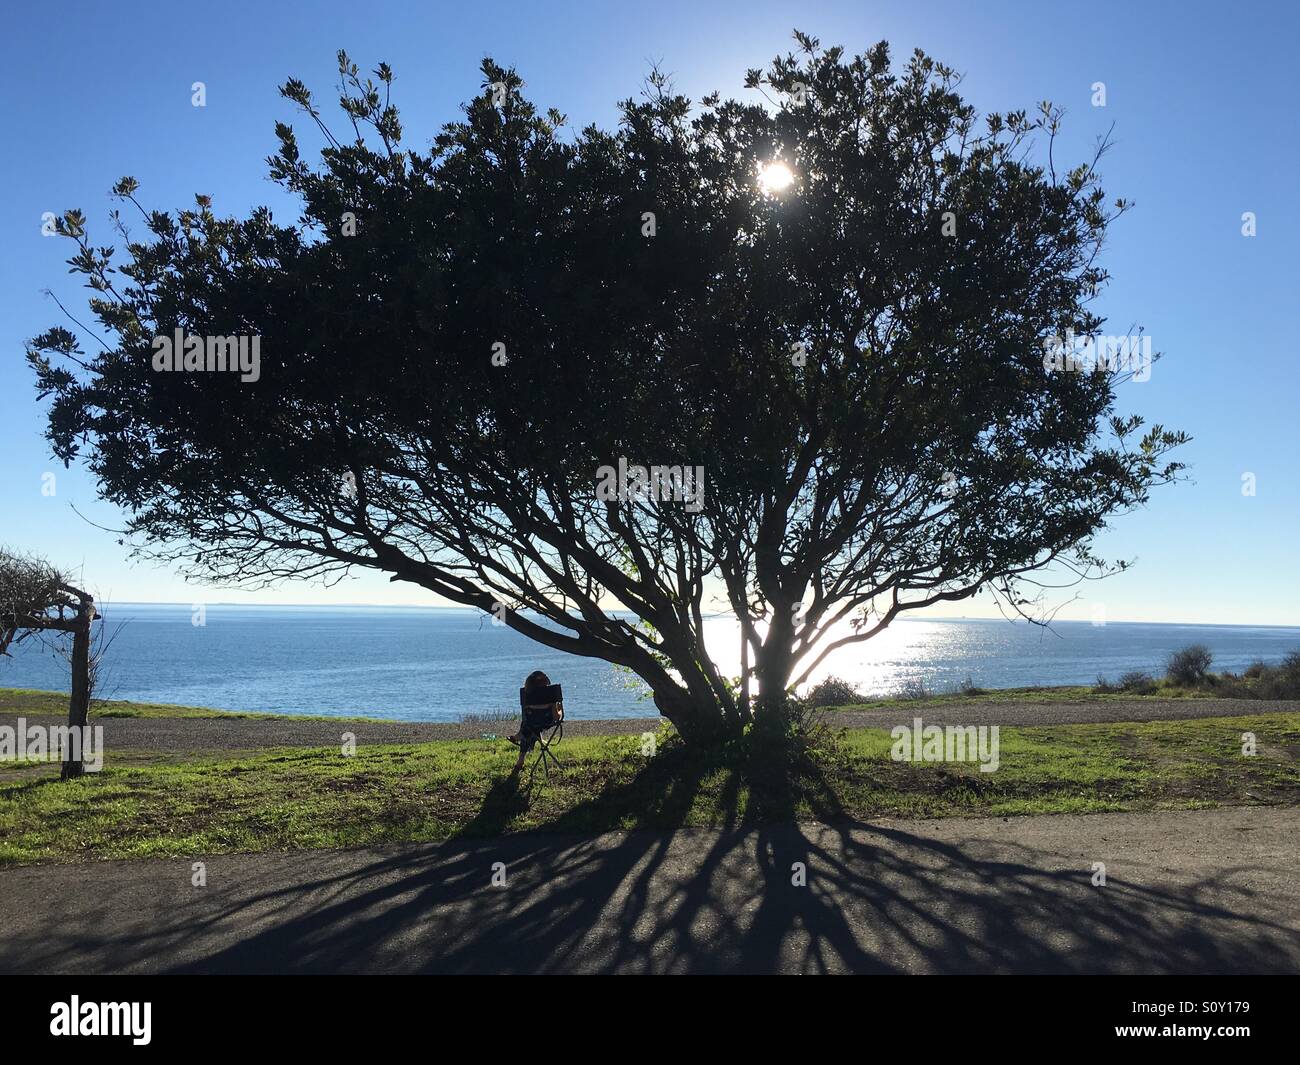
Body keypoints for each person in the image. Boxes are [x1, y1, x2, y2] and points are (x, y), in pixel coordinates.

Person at [508, 670, 564, 774]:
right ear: (546, 681)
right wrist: (560, 710)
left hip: (530, 722)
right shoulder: (551, 692)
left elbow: (526, 716)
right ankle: (521, 739)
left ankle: (520, 758)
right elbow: (556, 717)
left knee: (528, 727)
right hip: (547, 721)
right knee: (532, 728)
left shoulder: (526, 693)